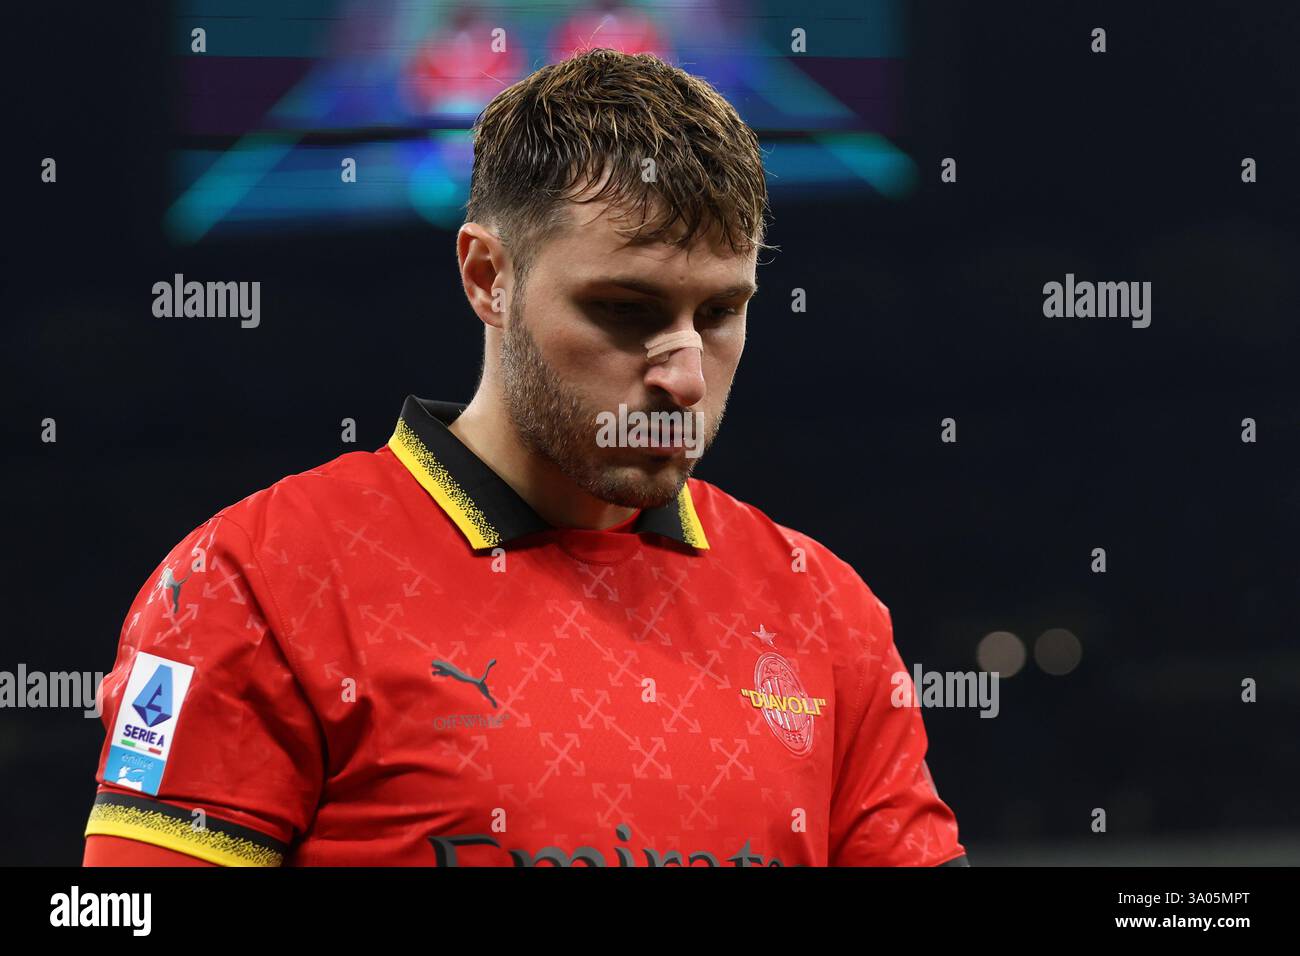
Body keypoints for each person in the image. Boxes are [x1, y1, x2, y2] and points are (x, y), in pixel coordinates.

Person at [83, 48, 967, 867]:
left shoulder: (827, 612)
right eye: (625, 309)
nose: (686, 380)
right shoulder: (252, 582)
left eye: (720, 314)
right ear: (486, 277)